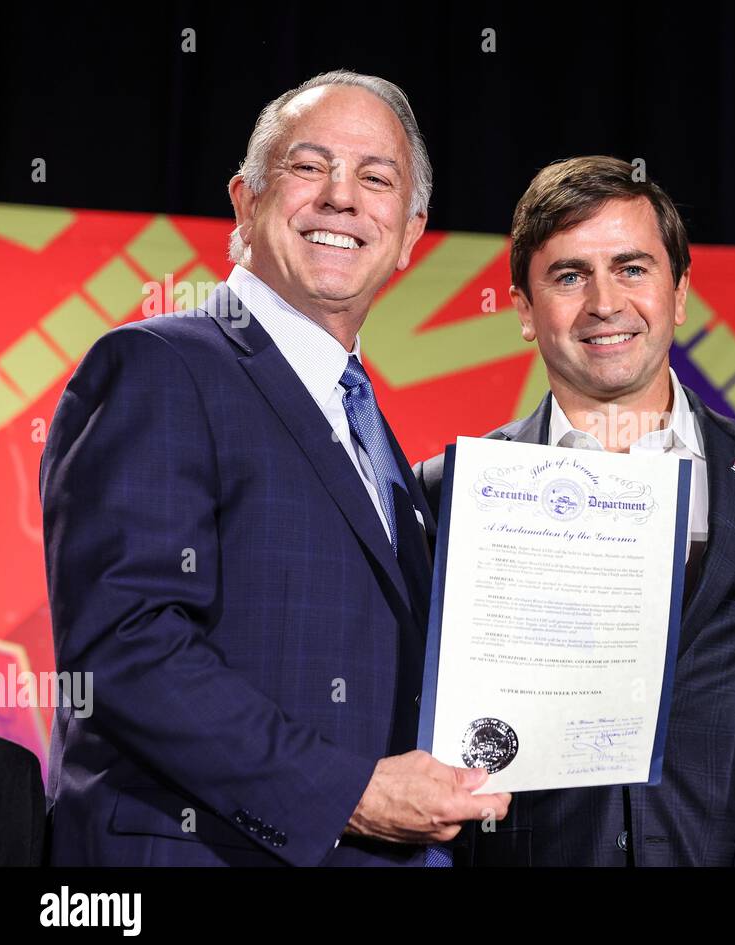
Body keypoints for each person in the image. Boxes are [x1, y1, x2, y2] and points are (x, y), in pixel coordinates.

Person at [40, 70, 508, 866]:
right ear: (245, 201)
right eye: (308, 165)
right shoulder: (158, 366)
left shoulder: (373, 433)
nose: (340, 197)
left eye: (376, 178)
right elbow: (128, 646)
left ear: (409, 233)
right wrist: (351, 793)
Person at [416, 156, 735, 865]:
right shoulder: (447, 493)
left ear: (679, 295)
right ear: (524, 310)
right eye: (569, 275)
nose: (605, 302)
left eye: (633, 268)